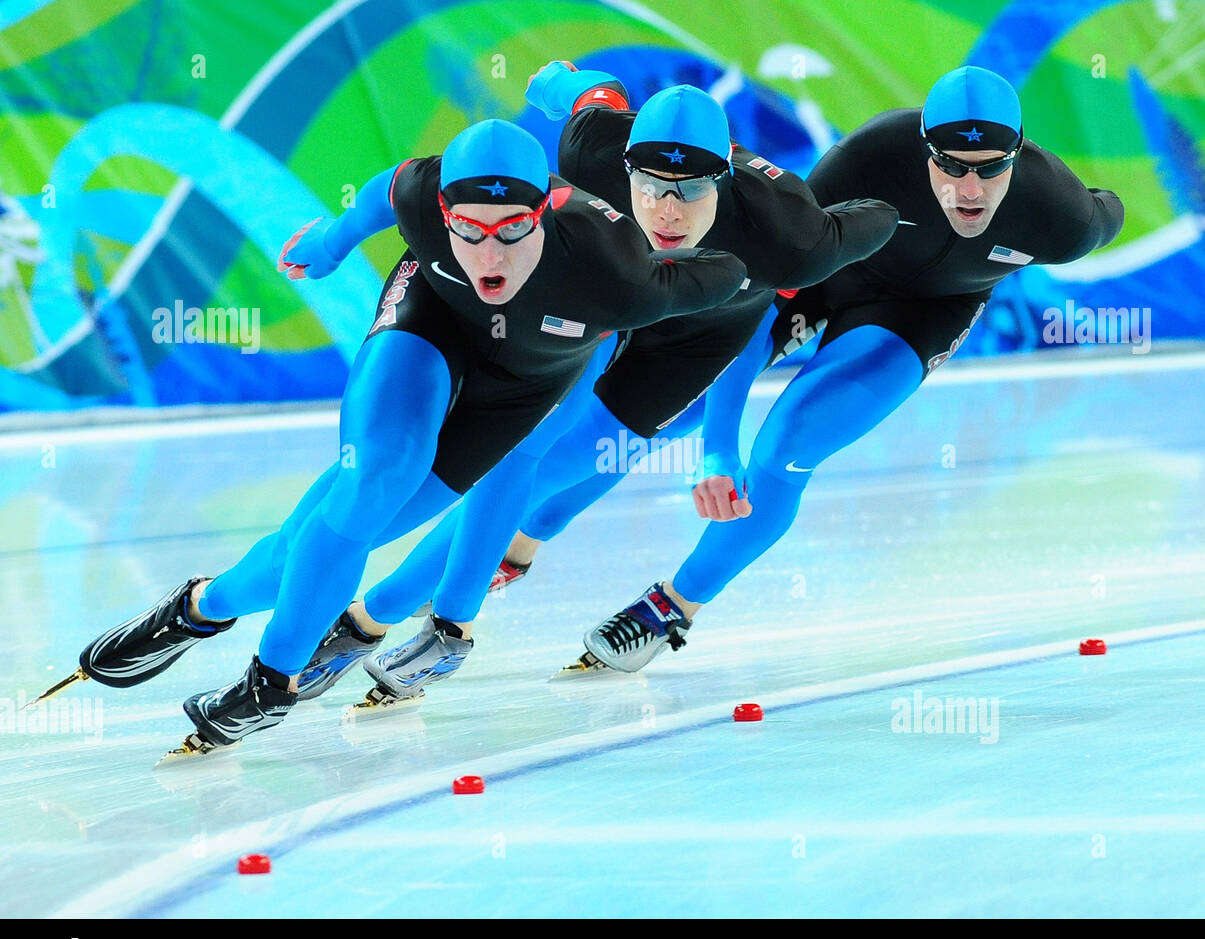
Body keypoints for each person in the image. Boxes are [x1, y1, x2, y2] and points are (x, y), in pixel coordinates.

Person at [67, 118, 747, 753]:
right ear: (442, 214)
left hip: (517, 389)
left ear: (543, 213)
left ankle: (198, 608)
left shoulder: (621, 275)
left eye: (512, 231)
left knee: (322, 539)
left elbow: (737, 274)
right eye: (469, 230)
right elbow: (381, 192)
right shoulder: (421, 196)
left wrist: (766, 256)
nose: (490, 254)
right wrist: (330, 242)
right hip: (429, 325)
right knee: (372, 481)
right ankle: (270, 684)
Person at [286, 64, 898, 710]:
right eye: (650, 184)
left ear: (723, 182)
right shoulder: (596, 147)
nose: (666, 209)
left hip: (689, 345)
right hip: (609, 306)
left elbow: (880, 215)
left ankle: (370, 619)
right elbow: (593, 98)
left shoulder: (791, 234)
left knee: (562, 473)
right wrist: (554, 81)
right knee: (520, 456)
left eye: (689, 190)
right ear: (626, 163)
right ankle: (451, 592)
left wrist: (723, 441)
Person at [551, 64, 1124, 672]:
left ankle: (672, 606)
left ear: (1018, 154)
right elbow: (743, 322)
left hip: (923, 313)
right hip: (824, 275)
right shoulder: (867, 159)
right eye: (950, 165)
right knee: (670, 409)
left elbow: (1107, 207)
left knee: (789, 442)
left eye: (990, 167)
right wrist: (718, 448)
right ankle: (518, 542)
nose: (970, 189)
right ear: (924, 149)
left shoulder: (1065, 219)